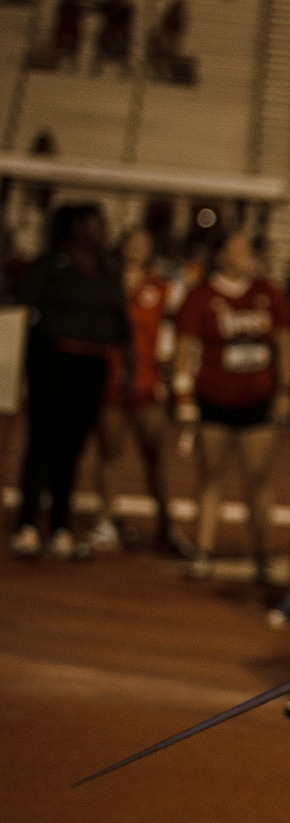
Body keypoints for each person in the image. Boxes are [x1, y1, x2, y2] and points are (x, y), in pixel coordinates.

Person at [11, 202, 132, 561]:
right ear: (76, 228)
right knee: (43, 441)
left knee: (73, 447)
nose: (103, 230)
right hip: (54, 361)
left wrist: (129, 369)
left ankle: (61, 524)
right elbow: (22, 315)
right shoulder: (49, 266)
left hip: (92, 364)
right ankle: (28, 523)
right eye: (96, 223)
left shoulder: (109, 271)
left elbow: (121, 325)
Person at [174, 228, 290, 579]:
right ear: (222, 255)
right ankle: (203, 550)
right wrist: (185, 398)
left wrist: (285, 390)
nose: (250, 256)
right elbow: (185, 348)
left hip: (257, 401)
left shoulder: (268, 294)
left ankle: (263, 553)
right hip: (214, 399)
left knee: (258, 479)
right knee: (211, 476)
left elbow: (285, 343)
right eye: (242, 249)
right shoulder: (202, 296)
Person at [85, 227, 182, 556]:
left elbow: (173, 335)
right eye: (132, 241)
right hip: (110, 377)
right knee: (110, 451)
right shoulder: (104, 280)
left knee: (155, 455)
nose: (137, 247)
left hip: (147, 380)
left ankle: (167, 523)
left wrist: (173, 380)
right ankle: (109, 516)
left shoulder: (162, 287)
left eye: (144, 242)